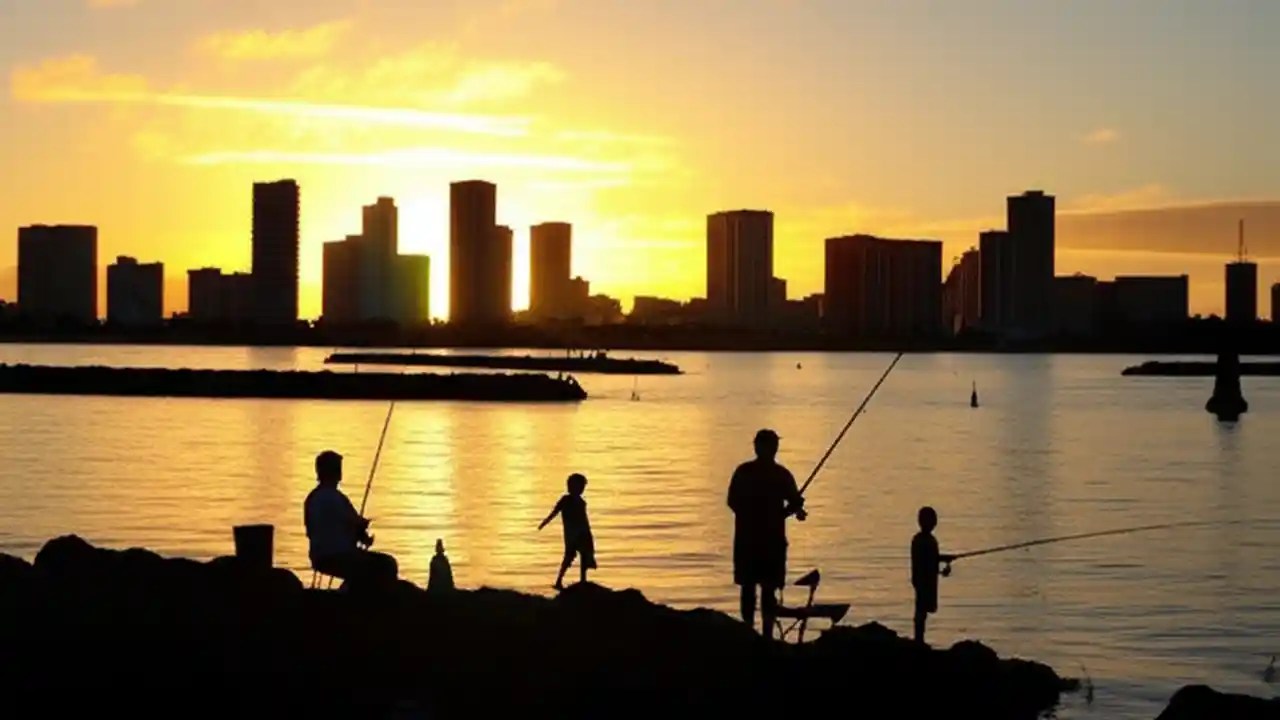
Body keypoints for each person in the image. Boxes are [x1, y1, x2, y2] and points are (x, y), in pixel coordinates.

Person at [727, 429, 806, 639]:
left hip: (748, 541)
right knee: (763, 588)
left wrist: (791, 510)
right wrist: (786, 512)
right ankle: (764, 635)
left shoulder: (744, 471)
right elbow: (795, 502)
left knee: (750, 588)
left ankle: (750, 633)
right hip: (769, 541)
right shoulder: (781, 474)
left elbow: (732, 502)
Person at [304, 450, 398, 592]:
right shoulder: (336, 498)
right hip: (339, 556)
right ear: (335, 472)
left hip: (318, 556)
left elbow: (312, 530)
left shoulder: (312, 498)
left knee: (364, 566)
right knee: (387, 564)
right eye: (338, 467)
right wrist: (363, 529)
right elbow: (355, 523)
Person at [538, 473, 596, 590]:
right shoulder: (566, 500)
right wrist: (545, 522)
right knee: (569, 556)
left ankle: (583, 579)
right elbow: (555, 512)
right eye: (579, 487)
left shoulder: (581, 502)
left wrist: (588, 533)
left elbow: (584, 519)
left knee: (584, 555)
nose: (581, 489)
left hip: (583, 532)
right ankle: (559, 580)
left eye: (582, 487)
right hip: (572, 534)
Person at [911, 505, 954, 644]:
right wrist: (942, 560)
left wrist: (944, 559)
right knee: (921, 611)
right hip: (924, 580)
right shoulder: (926, 540)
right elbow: (928, 559)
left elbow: (931, 558)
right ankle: (919, 640)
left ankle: (919, 639)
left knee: (921, 610)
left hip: (922, 579)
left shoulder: (919, 539)